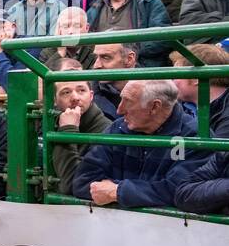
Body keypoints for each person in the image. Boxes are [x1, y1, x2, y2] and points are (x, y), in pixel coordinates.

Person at [73, 79, 204, 208]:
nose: (119, 110)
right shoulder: (118, 128)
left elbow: (181, 192)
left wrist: (117, 191)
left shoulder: (193, 136)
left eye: (128, 102)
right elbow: (83, 182)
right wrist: (138, 193)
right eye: (121, 99)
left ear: (154, 107)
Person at [86, 0, 171, 67]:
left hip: (138, 67)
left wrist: (128, 52)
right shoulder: (96, 5)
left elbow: (163, 38)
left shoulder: (148, 3)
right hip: (100, 66)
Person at [49, 65, 113, 195]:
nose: (75, 98)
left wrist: (68, 130)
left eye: (81, 90)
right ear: (54, 100)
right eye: (66, 92)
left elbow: (70, 184)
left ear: (91, 96)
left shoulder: (106, 130)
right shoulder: (49, 122)